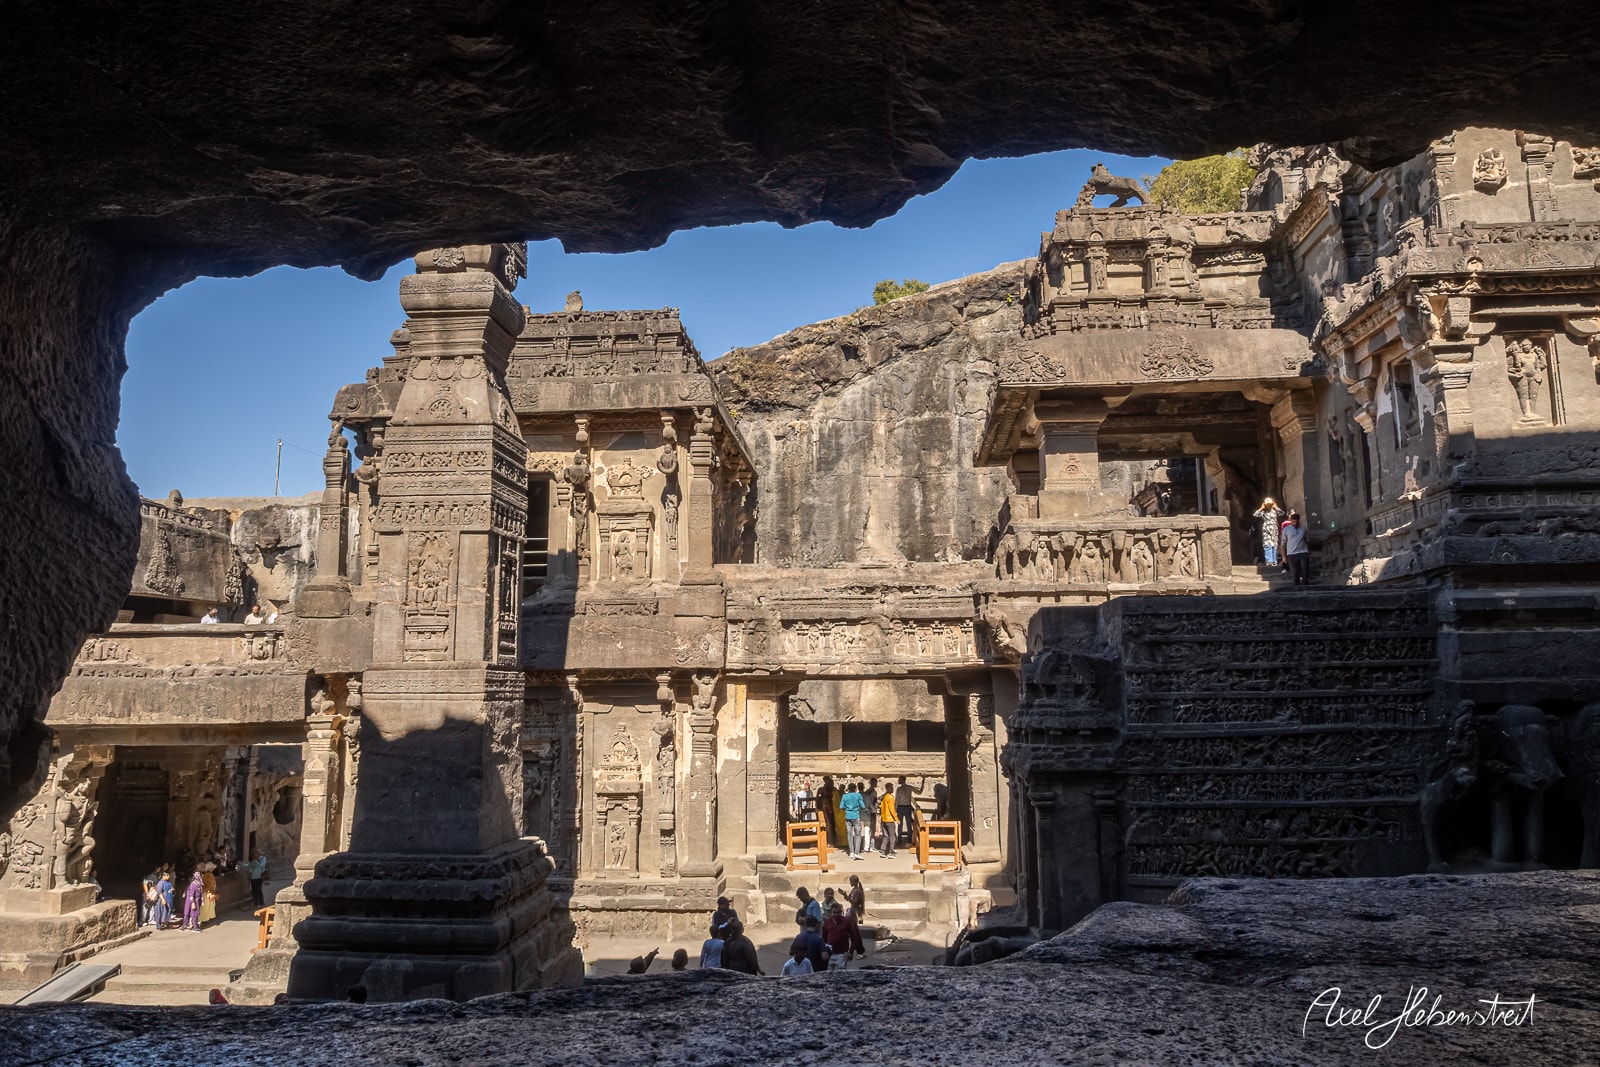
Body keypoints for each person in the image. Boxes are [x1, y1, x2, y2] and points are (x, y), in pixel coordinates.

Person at [821, 902, 864, 970]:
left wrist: (851, 952)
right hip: (830, 954)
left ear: (841, 912)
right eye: (834, 912)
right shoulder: (827, 922)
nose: (835, 915)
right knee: (828, 977)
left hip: (842, 955)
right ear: (831, 912)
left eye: (837, 913)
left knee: (841, 977)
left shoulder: (846, 922)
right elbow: (824, 938)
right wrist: (824, 951)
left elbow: (854, 937)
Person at [1282, 511, 1311, 586]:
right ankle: (1296, 586)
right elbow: (1283, 543)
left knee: (1304, 568)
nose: (1294, 524)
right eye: (1292, 522)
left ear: (1298, 521)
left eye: (1295, 522)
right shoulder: (1286, 529)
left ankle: (1305, 584)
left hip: (1303, 552)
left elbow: (1307, 540)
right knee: (1294, 571)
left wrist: (1309, 552)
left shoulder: (1303, 528)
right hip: (1291, 553)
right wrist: (1283, 555)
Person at [839, 781, 868, 859]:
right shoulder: (858, 795)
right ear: (855, 789)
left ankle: (851, 852)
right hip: (856, 816)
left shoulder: (845, 796)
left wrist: (848, 808)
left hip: (848, 816)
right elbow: (863, 806)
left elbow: (841, 806)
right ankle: (856, 852)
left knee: (849, 834)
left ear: (848, 789)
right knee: (858, 834)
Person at [1253, 497, 1284, 566]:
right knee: (1267, 545)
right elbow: (1255, 514)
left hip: (1274, 531)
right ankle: (1269, 561)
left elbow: (1282, 513)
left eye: (1269, 504)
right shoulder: (1263, 513)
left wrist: (1276, 507)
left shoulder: (1275, 512)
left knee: (1274, 546)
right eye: (1267, 505)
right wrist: (1261, 508)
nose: (1268, 506)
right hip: (1266, 531)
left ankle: (1274, 561)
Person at [877, 787, 899, 857]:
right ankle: (891, 852)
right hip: (889, 819)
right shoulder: (890, 797)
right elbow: (891, 809)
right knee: (892, 836)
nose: (893, 789)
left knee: (885, 836)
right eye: (891, 787)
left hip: (884, 819)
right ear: (888, 788)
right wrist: (896, 818)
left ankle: (883, 850)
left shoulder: (883, 797)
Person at [895, 777, 917, 843]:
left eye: (899, 779)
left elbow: (897, 800)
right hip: (907, 807)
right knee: (908, 824)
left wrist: (895, 808)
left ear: (902, 780)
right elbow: (919, 792)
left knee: (900, 824)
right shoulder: (909, 787)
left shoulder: (899, 789)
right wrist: (923, 783)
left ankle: (899, 839)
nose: (898, 780)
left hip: (900, 807)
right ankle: (910, 839)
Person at [198, 862, 218, 926]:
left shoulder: (206, 875)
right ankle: (204, 919)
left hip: (206, 891)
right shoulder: (209, 875)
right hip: (207, 892)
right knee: (206, 907)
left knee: (206, 907)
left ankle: (205, 919)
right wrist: (210, 891)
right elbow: (210, 885)